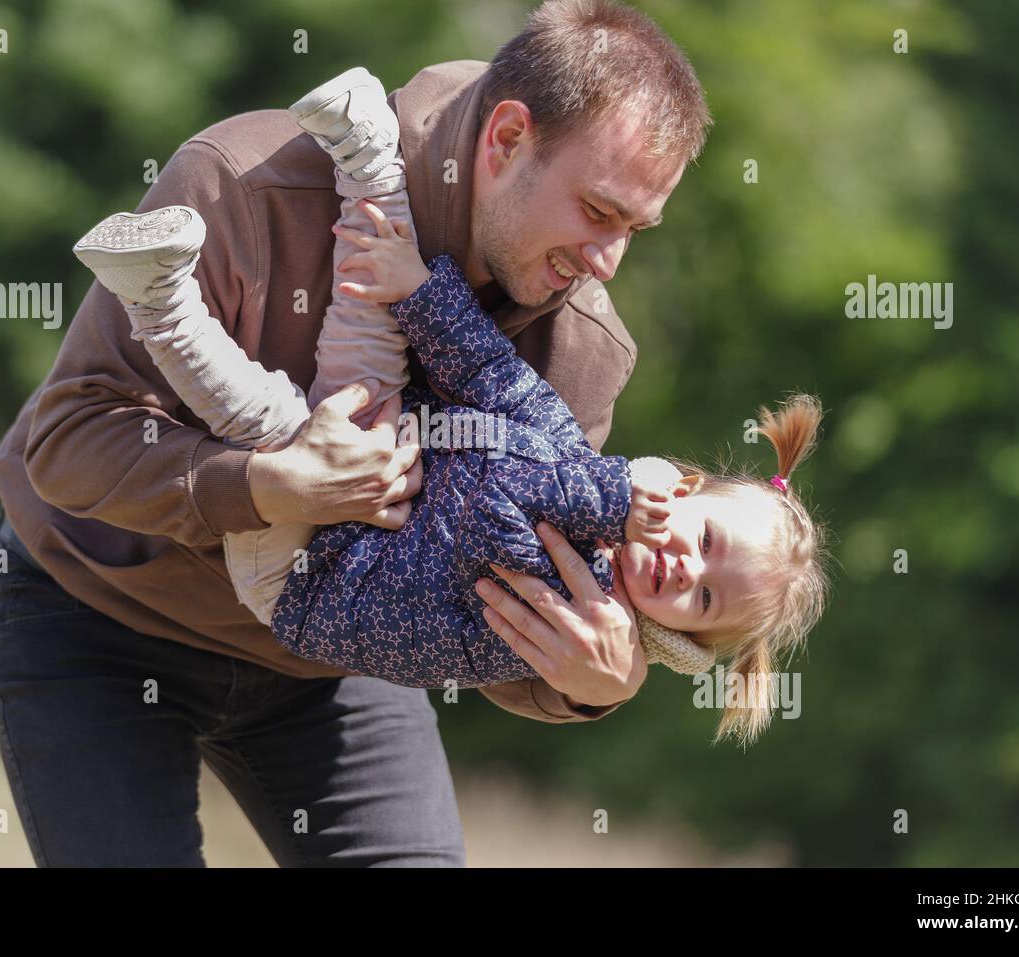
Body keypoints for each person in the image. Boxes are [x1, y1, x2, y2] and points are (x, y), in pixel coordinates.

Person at [0, 0, 713, 866]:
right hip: (100, 609)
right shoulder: (245, 181)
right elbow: (65, 443)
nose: (606, 260)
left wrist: (597, 682)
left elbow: (492, 616)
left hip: (329, 665)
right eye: (598, 210)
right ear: (508, 137)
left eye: (633, 229)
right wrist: (266, 486)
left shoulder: (583, 348)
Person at [73, 67, 830, 748]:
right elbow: (492, 374)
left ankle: (160, 297)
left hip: (309, 578)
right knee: (365, 346)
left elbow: (493, 509)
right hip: (136, 597)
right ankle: (368, 159)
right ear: (685, 489)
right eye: (703, 540)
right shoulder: (241, 178)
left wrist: (609, 678)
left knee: (272, 421)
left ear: (688, 639)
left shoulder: (576, 594)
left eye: (703, 597)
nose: (682, 566)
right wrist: (417, 287)